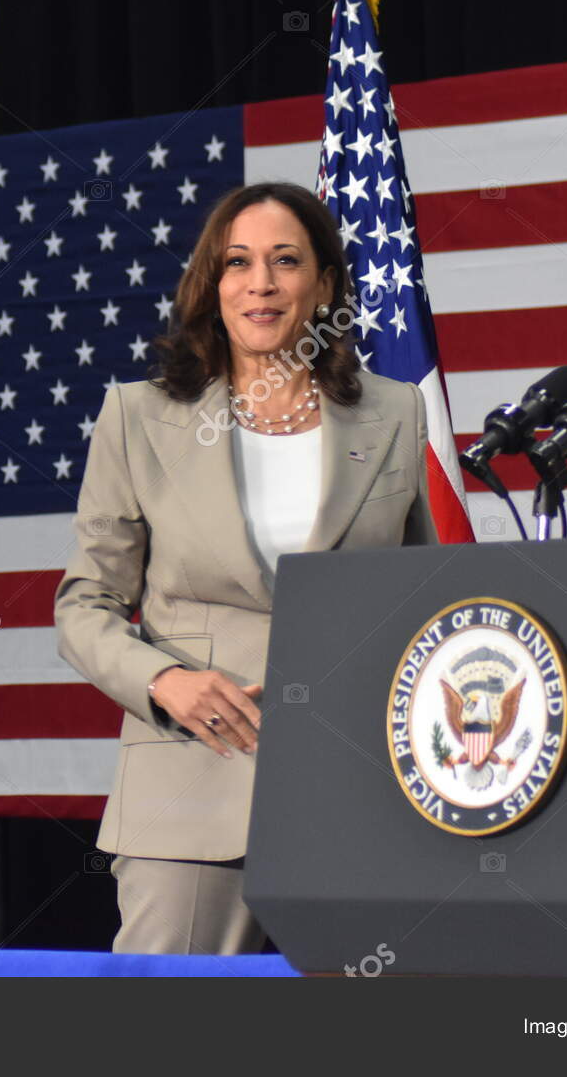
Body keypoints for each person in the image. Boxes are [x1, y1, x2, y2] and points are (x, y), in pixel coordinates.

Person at [53, 181, 438, 954]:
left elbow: (421, 599)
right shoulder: (139, 416)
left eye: (285, 260)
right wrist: (166, 683)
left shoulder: (396, 412)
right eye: (237, 262)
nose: (260, 282)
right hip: (189, 786)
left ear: (324, 282)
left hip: (359, 795)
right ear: (212, 284)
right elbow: (84, 605)